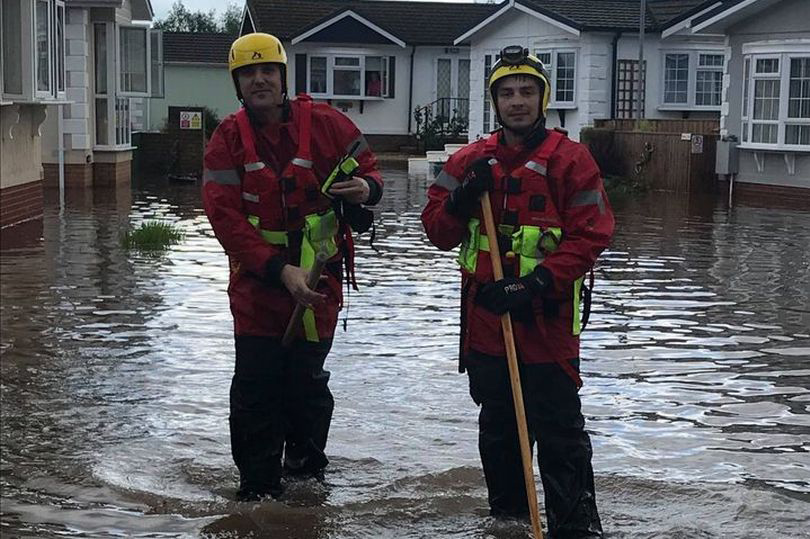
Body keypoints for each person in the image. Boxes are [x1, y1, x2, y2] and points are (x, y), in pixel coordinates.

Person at [421, 46, 614, 538]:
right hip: (489, 325)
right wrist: (463, 198)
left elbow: (592, 235)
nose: (517, 101)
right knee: (501, 432)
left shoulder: (572, 161)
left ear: (542, 98)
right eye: (506, 93)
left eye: (527, 91)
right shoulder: (469, 160)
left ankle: (575, 529)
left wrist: (535, 282)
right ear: (495, 102)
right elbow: (437, 232)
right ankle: (506, 524)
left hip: (546, 324)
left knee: (561, 435)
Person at [202, 32, 383, 502]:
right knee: (256, 387)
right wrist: (279, 270)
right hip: (259, 287)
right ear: (237, 84)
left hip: (319, 283)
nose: (259, 79)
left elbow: (371, 171)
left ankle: (306, 482)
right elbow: (224, 217)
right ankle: (258, 491)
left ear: (283, 78)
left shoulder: (327, 124)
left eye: (268, 71)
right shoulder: (226, 140)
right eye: (248, 73)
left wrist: (366, 189)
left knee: (306, 385)